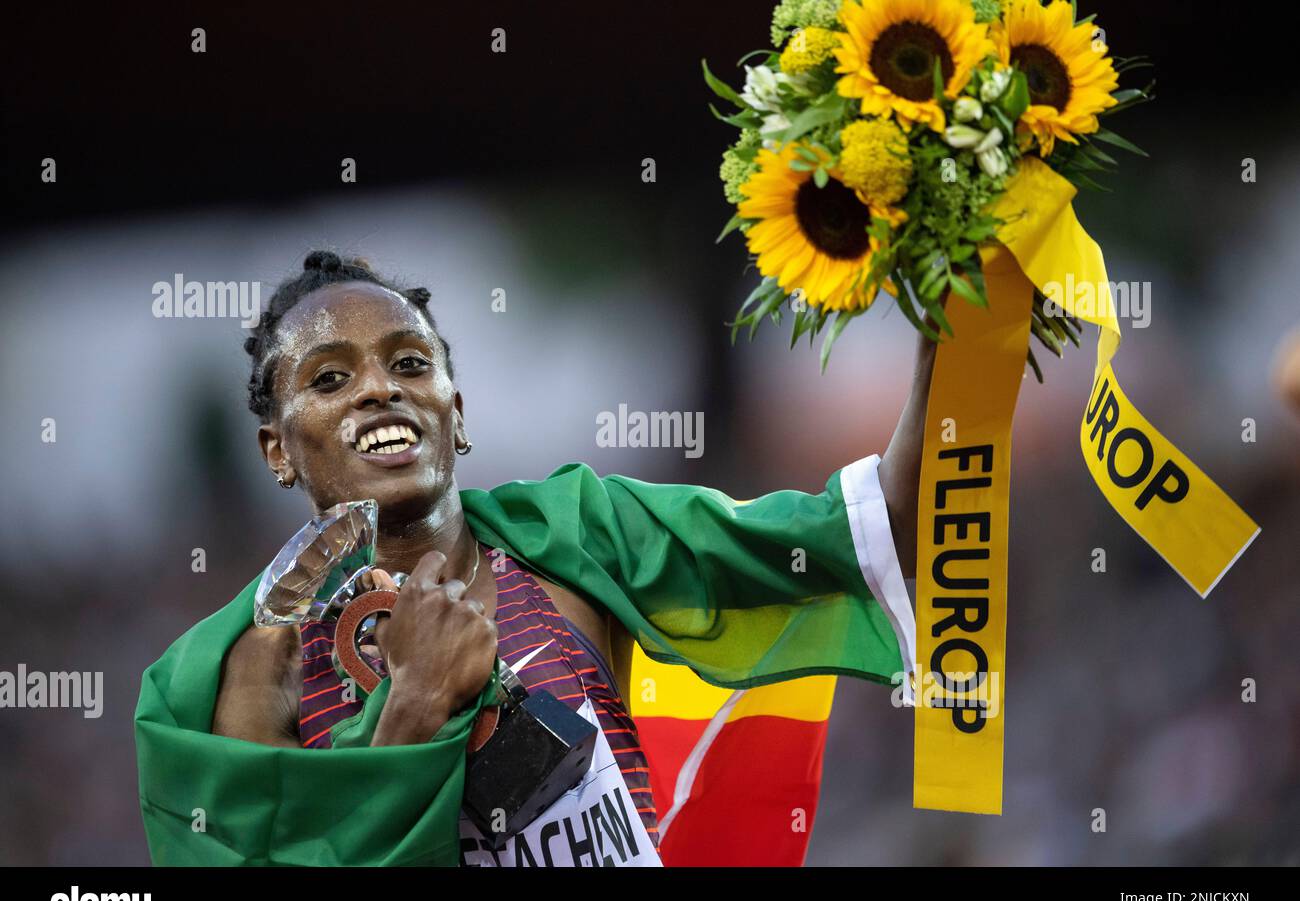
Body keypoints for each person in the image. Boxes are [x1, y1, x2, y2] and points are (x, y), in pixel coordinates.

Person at [135, 250, 933, 867]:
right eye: (331, 377)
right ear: (277, 449)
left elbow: (872, 529)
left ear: (458, 410)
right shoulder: (243, 672)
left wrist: (953, 325)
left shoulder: (576, 538)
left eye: (411, 363)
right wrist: (415, 706)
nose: (380, 389)